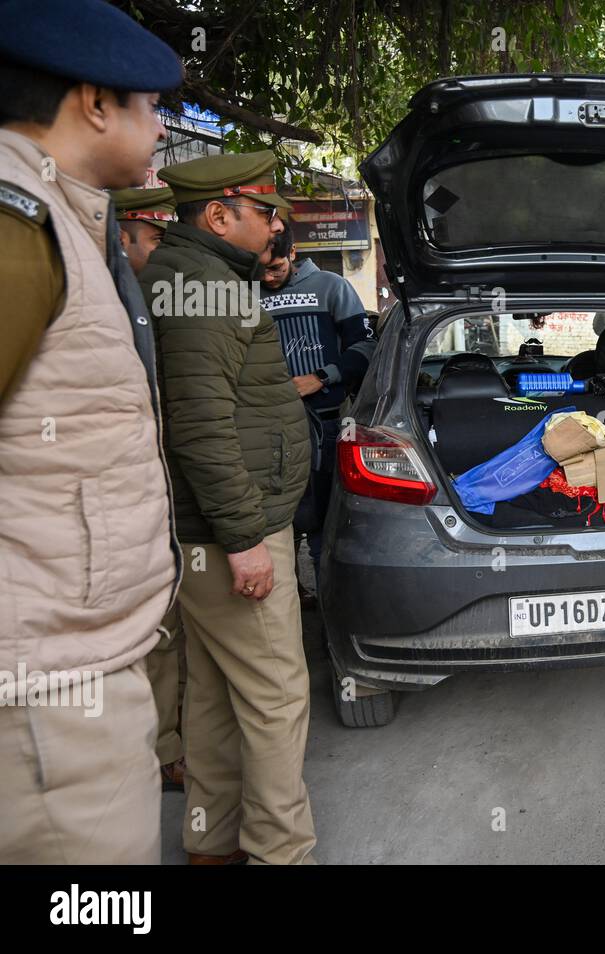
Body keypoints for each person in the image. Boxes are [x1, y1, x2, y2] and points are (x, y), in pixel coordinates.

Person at [0, 0, 182, 864]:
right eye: (151, 105)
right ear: (94, 103)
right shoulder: (16, 224)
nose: (162, 124)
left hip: (70, 666)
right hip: (44, 689)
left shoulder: (67, 219)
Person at [139, 151, 316, 865]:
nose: (276, 225)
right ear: (219, 215)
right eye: (265, 211)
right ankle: (282, 852)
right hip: (234, 531)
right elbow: (200, 425)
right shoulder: (203, 288)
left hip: (209, 533)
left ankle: (211, 844)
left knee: (211, 697)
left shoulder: (195, 276)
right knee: (277, 697)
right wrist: (245, 537)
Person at [114, 185, 189, 788]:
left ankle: (170, 741)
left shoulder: (151, 302)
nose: (161, 248)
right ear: (122, 239)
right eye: (153, 237)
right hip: (132, 494)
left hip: (163, 490)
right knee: (159, 634)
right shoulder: (118, 305)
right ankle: (163, 751)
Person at [260, 229, 372, 588]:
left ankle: (327, 598)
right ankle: (290, 597)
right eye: (261, 269)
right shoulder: (245, 295)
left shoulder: (331, 287)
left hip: (327, 422)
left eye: (275, 268)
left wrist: (323, 377)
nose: (268, 277)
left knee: (326, 516)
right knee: (279, 520)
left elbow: (365, 347)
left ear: (292, 252)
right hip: (267, 425)